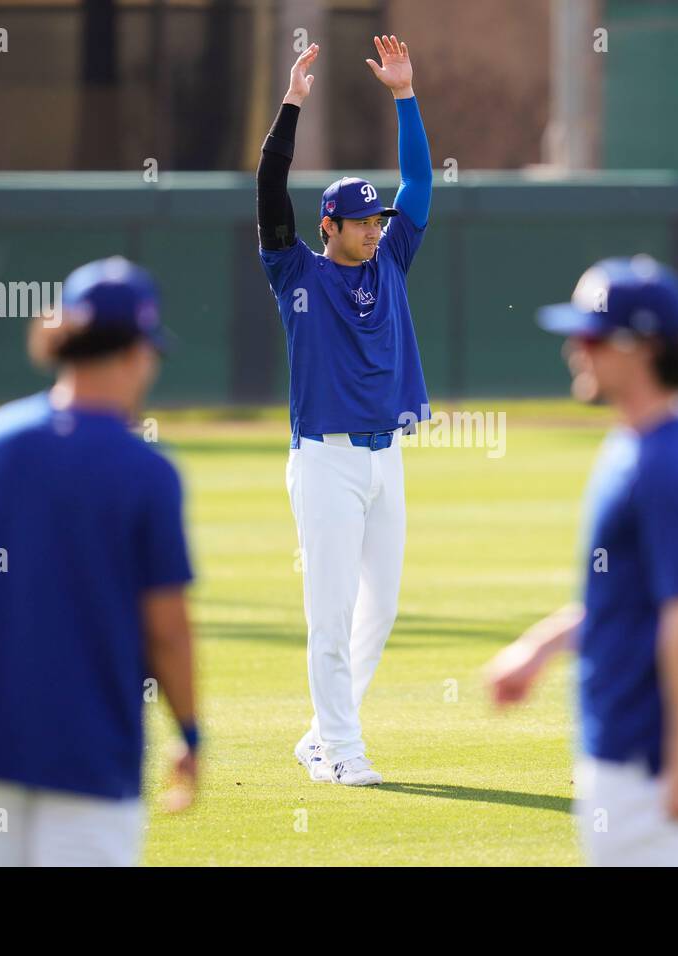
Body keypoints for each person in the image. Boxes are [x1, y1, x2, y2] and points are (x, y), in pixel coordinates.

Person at [0, 257, 198, 865]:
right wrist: (189, 733)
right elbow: (165, 629)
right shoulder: (146, 471)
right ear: (135, 353)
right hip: (89, 758)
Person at [485, 255, 678, 865]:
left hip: (648, 761)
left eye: (591, 336)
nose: (576, 349)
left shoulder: (667, 459)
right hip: (626, 751)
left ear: (641, 348)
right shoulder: (638, 441)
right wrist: (540, 649)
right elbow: (624, 595)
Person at [255, 36, 433, 786]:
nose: (374, 226)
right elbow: (269, 188)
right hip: (324, 459)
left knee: (378, 612)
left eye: (377, 218)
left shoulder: (392, 258)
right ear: (328, 225)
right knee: (328, 616)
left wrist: (405, 96)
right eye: (361, 220)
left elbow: (421, 181)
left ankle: (324, 733)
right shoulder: (295, 270)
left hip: (384, 457)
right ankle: (340, 751)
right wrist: (293, 103)